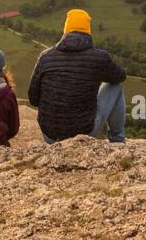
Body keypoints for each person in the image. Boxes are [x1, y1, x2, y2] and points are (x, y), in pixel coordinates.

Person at [27, 8, 126, 143]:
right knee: (115, 86)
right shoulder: (100, 57)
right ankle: (117, 140)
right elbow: (120, 77)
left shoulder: (46, 57)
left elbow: (33, 98)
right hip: (83, 132)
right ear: (88, 32)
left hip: (49, 135)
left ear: (65, 31)